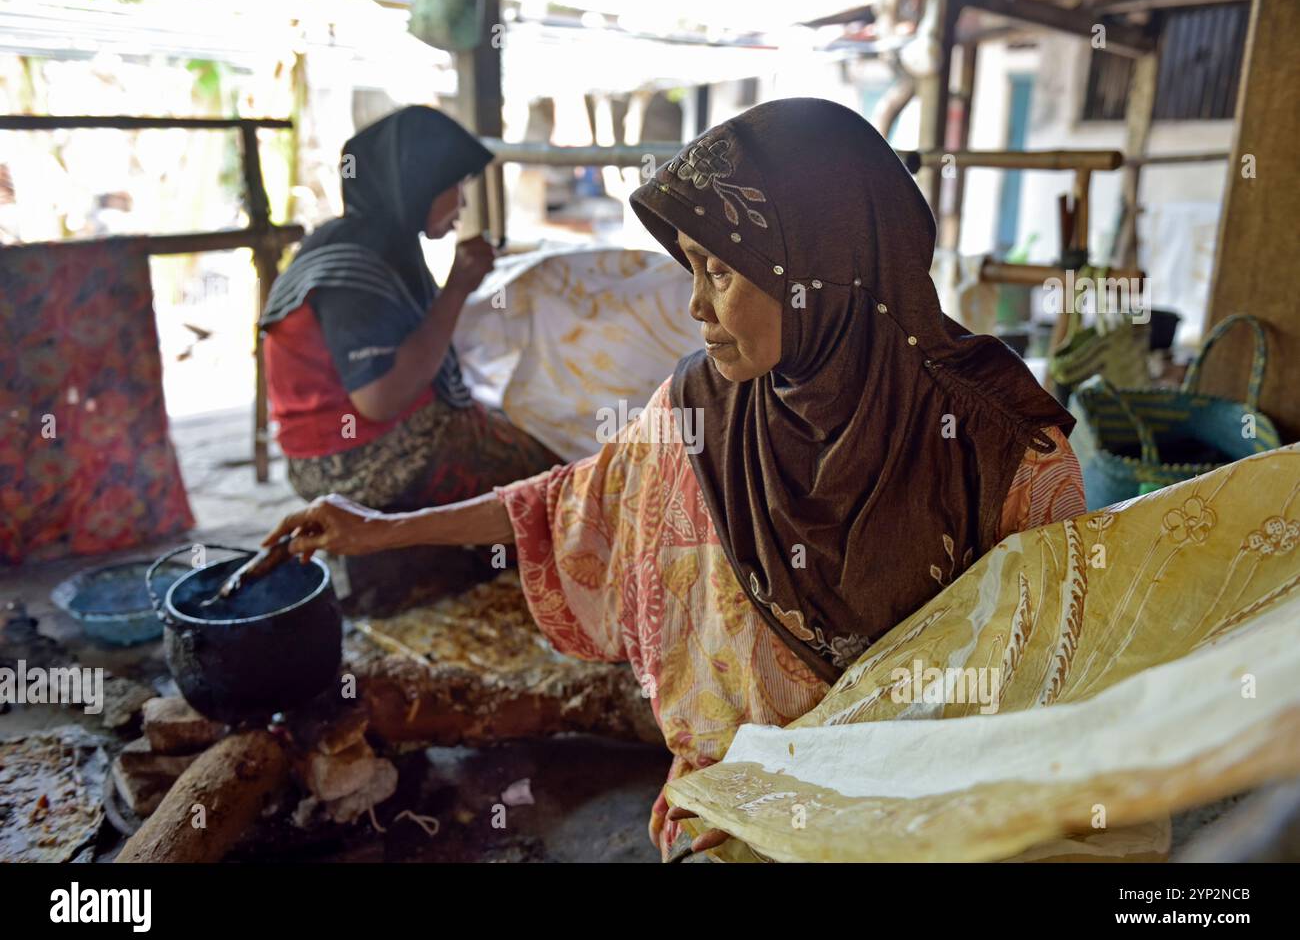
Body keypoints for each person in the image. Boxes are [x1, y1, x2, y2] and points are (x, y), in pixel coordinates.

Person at [264, 98, 1086, 859]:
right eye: (689, 268)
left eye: (719, 272)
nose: (694, 305)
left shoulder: (1002, 452)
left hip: (927, 828)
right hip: (734, 809)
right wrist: (377, 528)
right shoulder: (705, 406)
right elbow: (565, 500)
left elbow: (1048, 700)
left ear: (827, 265)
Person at [261, 106, 560, 516]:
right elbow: (379, 400)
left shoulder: (372, 241)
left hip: (339, 445)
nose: (463, 201)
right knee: (553, 472)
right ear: (419, 183)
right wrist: (456, 290)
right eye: (455, 184)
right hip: (352, 457)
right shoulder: (355, 266)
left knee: (520, 423)